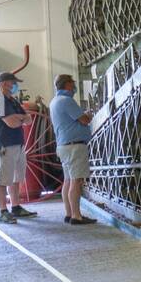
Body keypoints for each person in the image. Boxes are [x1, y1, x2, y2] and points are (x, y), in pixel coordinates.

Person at [0, 71, 37, 224]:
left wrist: (19, 118)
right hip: (5, 145)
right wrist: (20, 118)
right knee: (2, 180)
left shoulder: (12, 101)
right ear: (2, 84)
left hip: (18, 144)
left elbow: (28, 119)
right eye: (12, 82)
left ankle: (15, 207)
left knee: (16, 179)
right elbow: (11, 123)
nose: (15, 85)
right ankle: (3, 211)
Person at [49, 74, 96, 225]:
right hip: (75, 146)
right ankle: (77, 216)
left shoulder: (54, 101)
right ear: (68, 84)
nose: (74, 86)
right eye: (73, 83)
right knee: (76, 181)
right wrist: (88, 114)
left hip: (63, 146)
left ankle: (69, 214)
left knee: (68, 181)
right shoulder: (67, 101)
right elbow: (83, 120)